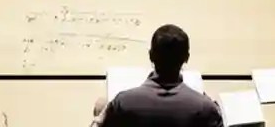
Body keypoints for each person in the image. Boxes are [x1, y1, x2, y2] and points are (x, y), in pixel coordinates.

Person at [91, 24, 223, 127]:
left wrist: (99, 118)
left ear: (151, 55)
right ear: (186, 58)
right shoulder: (205, 108)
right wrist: (212, 110)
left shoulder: (122, 103)